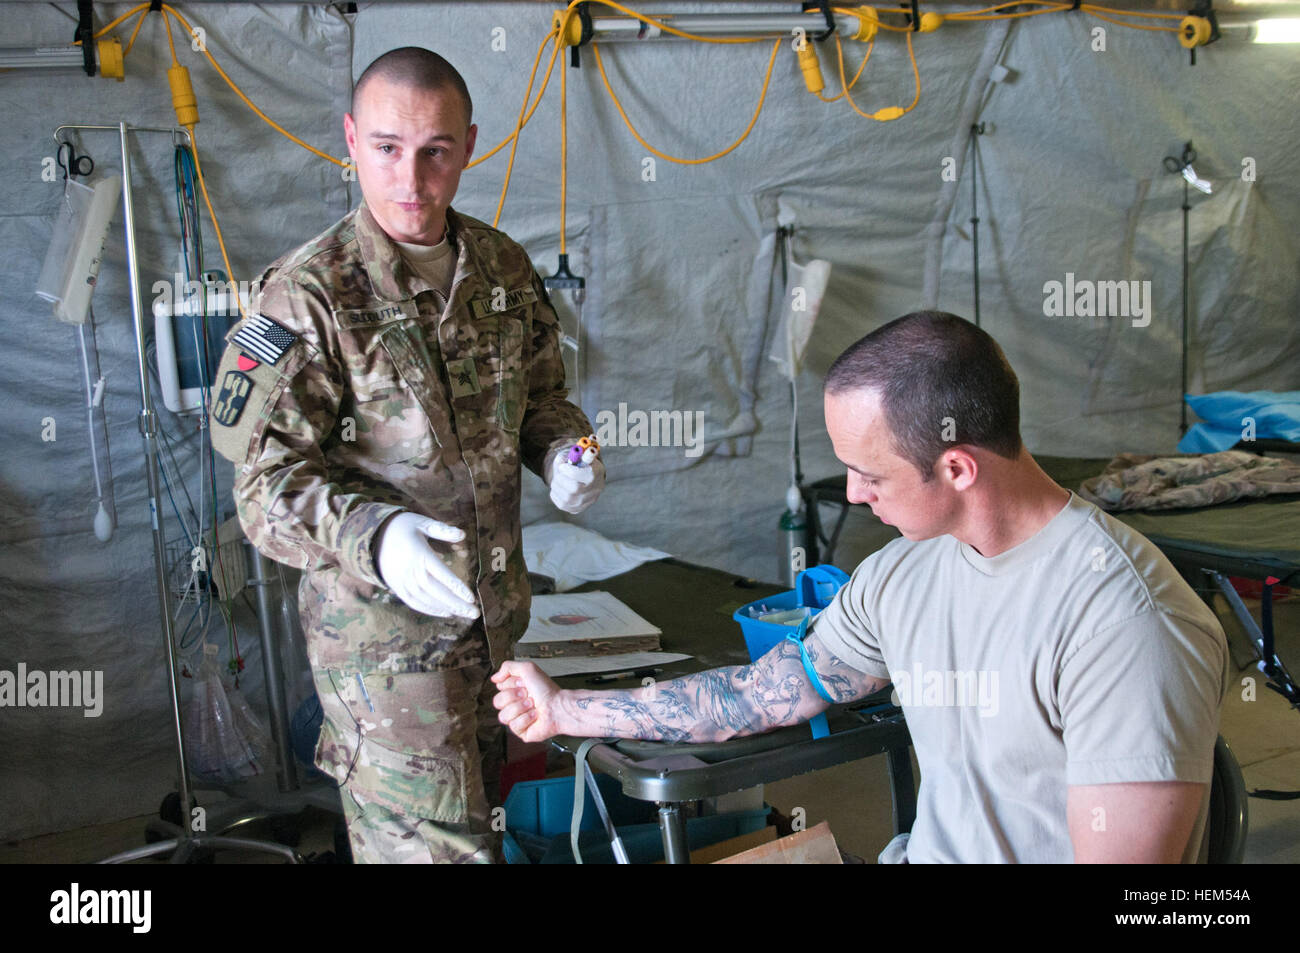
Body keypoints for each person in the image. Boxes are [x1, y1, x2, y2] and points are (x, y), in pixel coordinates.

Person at [492, 311, 1228, 863]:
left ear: (959, 468)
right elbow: (759, 693)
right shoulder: (904, 571)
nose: (852, 493)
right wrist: (565, 708)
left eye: (871, 475)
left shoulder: (1128, 623)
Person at [210, 47, 603, 863]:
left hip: (495, 633)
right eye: (387, 148)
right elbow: (263, 485)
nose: (411, 179)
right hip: (387, 664)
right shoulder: (306, 296)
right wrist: (376, 536)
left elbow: (541, 396)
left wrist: (568, 447)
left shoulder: (499, 266)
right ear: (351, 139)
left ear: (471, 145)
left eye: (436, 152)